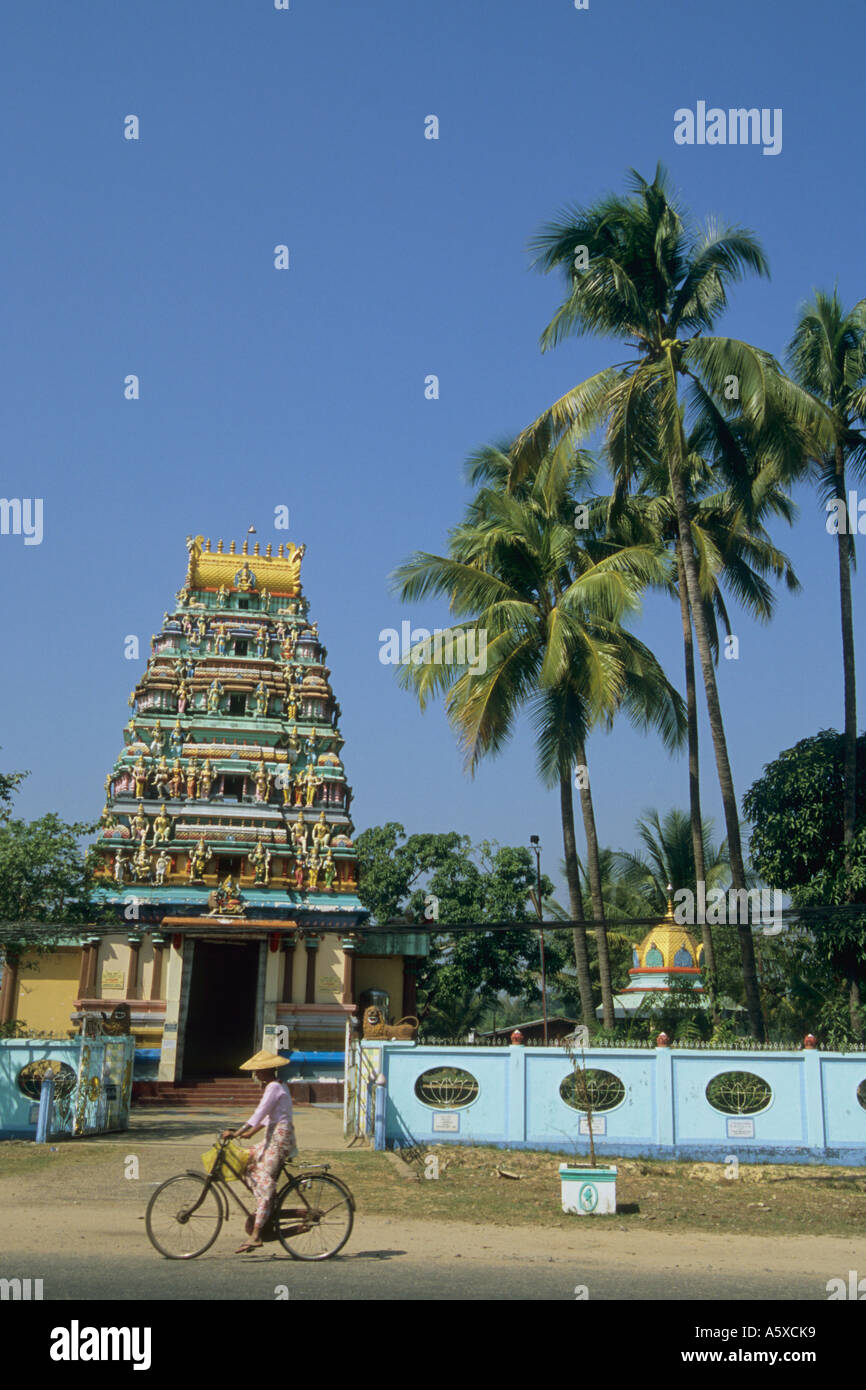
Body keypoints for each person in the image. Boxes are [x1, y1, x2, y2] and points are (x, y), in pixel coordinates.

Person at [223, 1050, 297, 1253]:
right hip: (275, 1136)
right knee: (248, 1160)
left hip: (279, 1139)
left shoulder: (273, 1087)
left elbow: (260, 1112)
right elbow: (267, 1117)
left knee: (264, 1184)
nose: (256, 1075)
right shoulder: (280, 1084)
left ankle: (256, 1234)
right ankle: (264, 1210)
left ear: (266, 1070)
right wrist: (249, 1134)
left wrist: (237, 1132)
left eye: (258, 1071)